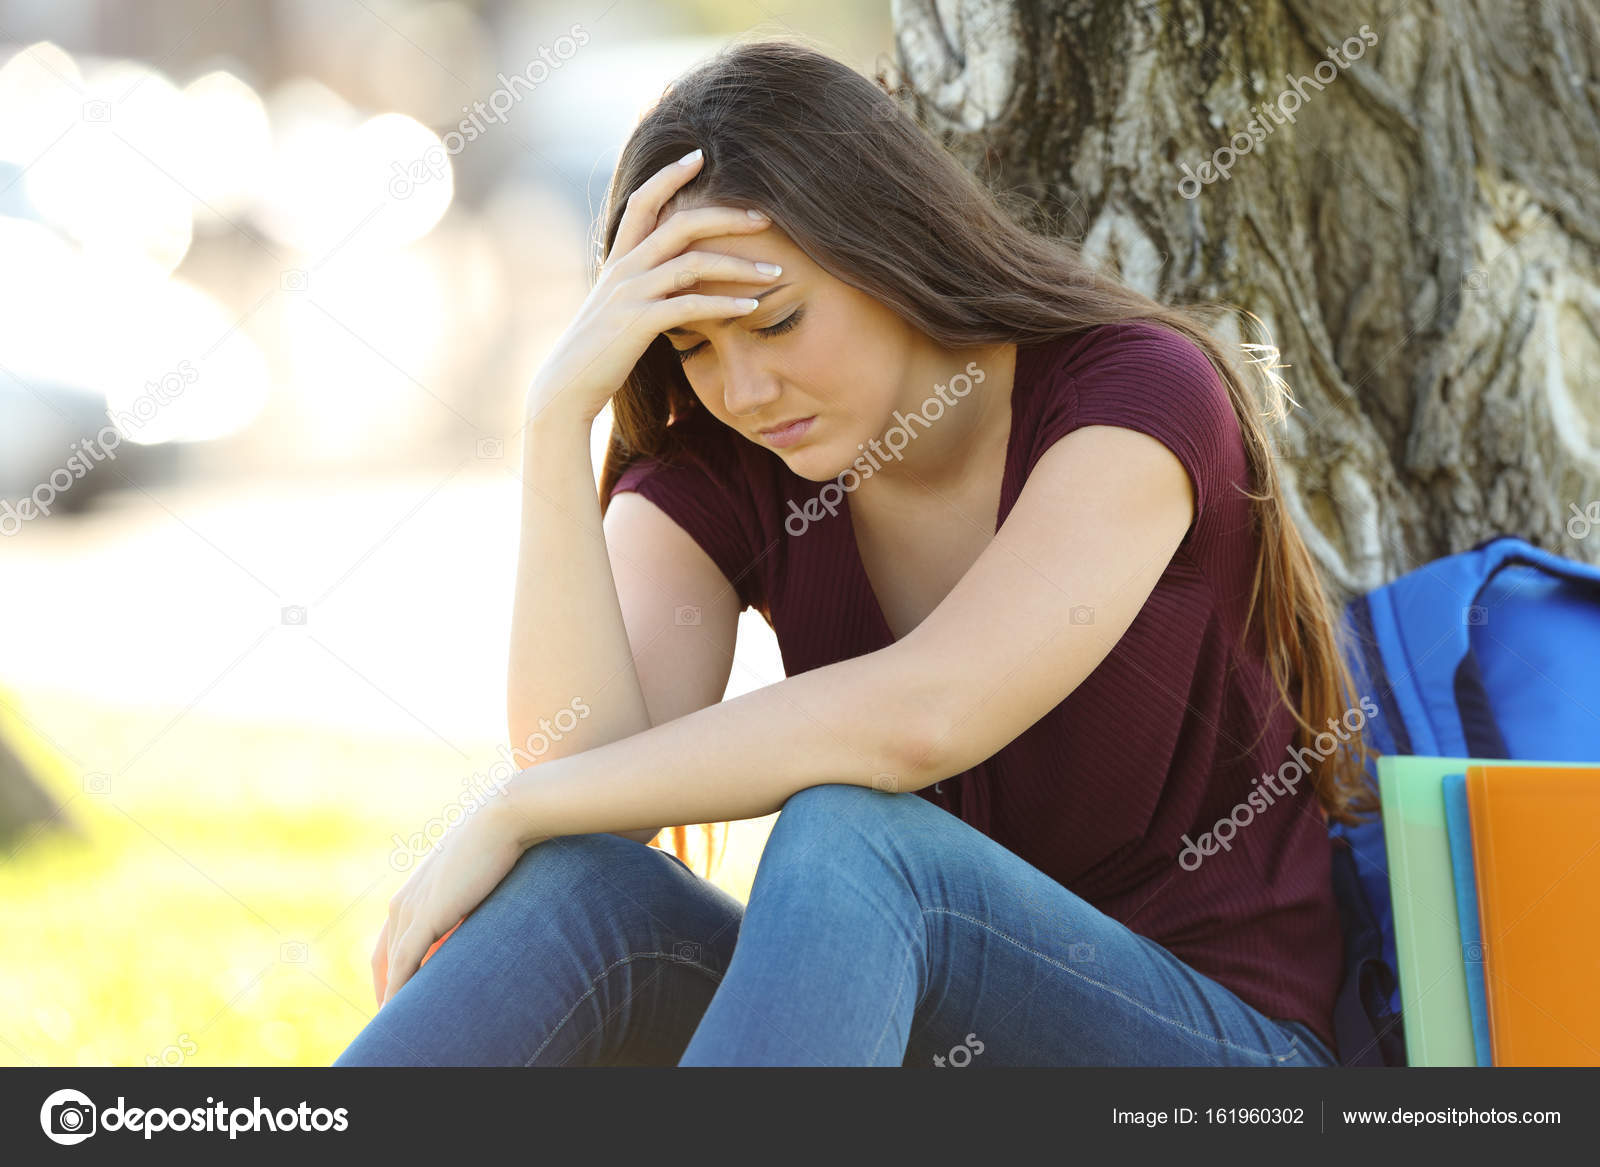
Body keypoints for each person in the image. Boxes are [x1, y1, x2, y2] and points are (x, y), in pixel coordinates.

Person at [333, 36, 1379, 1068]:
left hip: (1212, 1055)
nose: (745, 391)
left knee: (851, 831)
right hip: (911, 1034)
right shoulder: (733, 462)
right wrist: (554, 417)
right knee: (584, 888)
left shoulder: (1135, 397)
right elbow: (590, 777)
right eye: (692, 346)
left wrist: (512, 807)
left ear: (887, 245)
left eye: (777, 321)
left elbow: (927, 716)